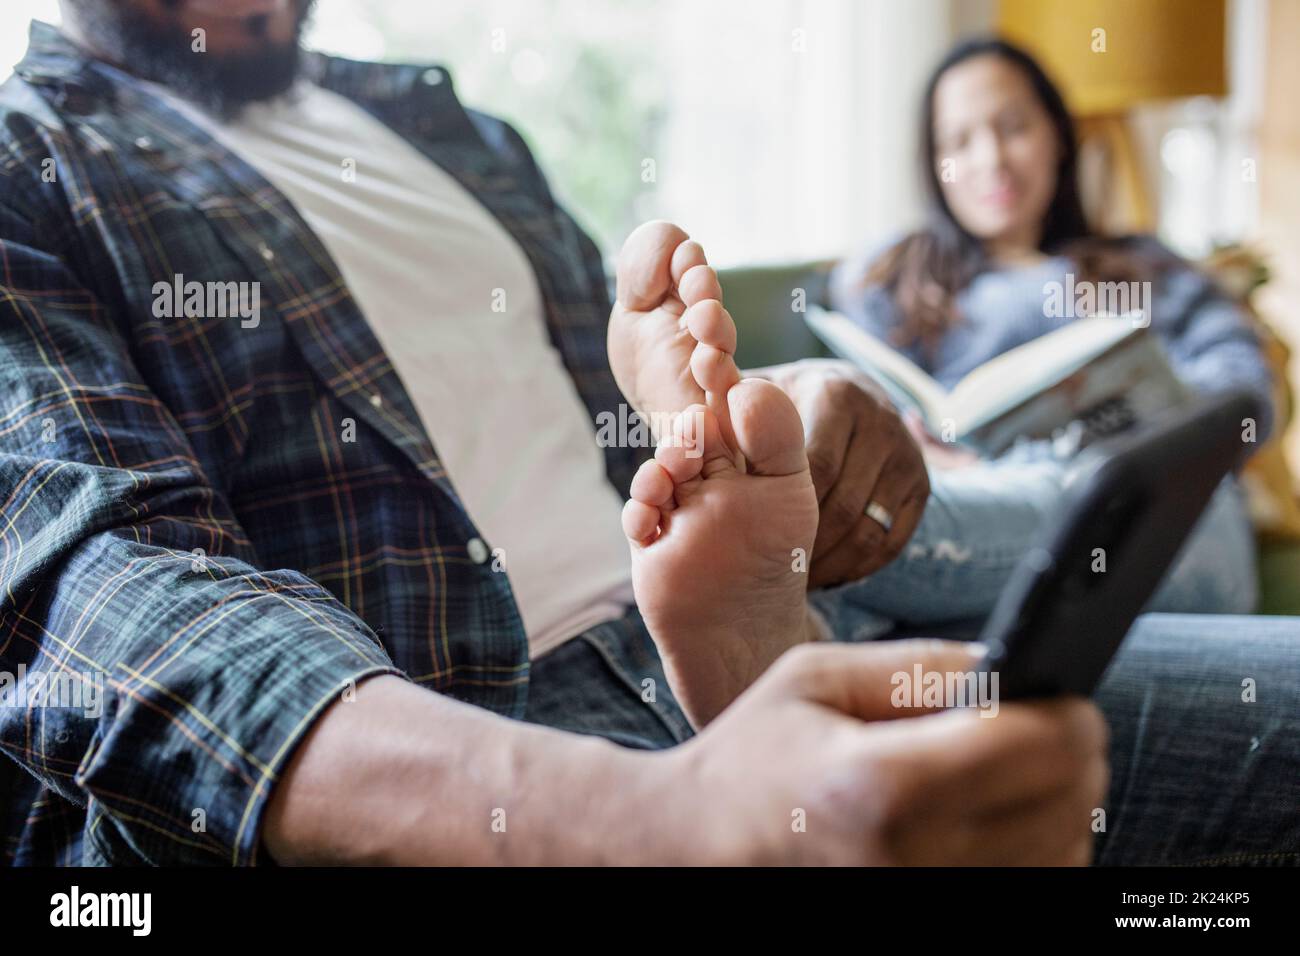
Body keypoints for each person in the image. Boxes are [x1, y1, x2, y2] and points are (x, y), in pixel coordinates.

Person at [0, 1, 1296, 866]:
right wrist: (660, 819)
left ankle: (743, 636)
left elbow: (636, 446)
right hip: (494, 753)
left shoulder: (435, 119)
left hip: (788, 646)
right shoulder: (30, 171)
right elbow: (111, 607)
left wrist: (767, 447)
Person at [828, 38, 1272, 626]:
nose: (991, 160)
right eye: (958, 141)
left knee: (833, 558)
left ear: (1057, 136)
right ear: (934, 165)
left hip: (1168, 506)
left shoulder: (1145, 267)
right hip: (976, 508)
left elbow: (1247, 395)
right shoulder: (900, 283)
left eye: (1013, 127)